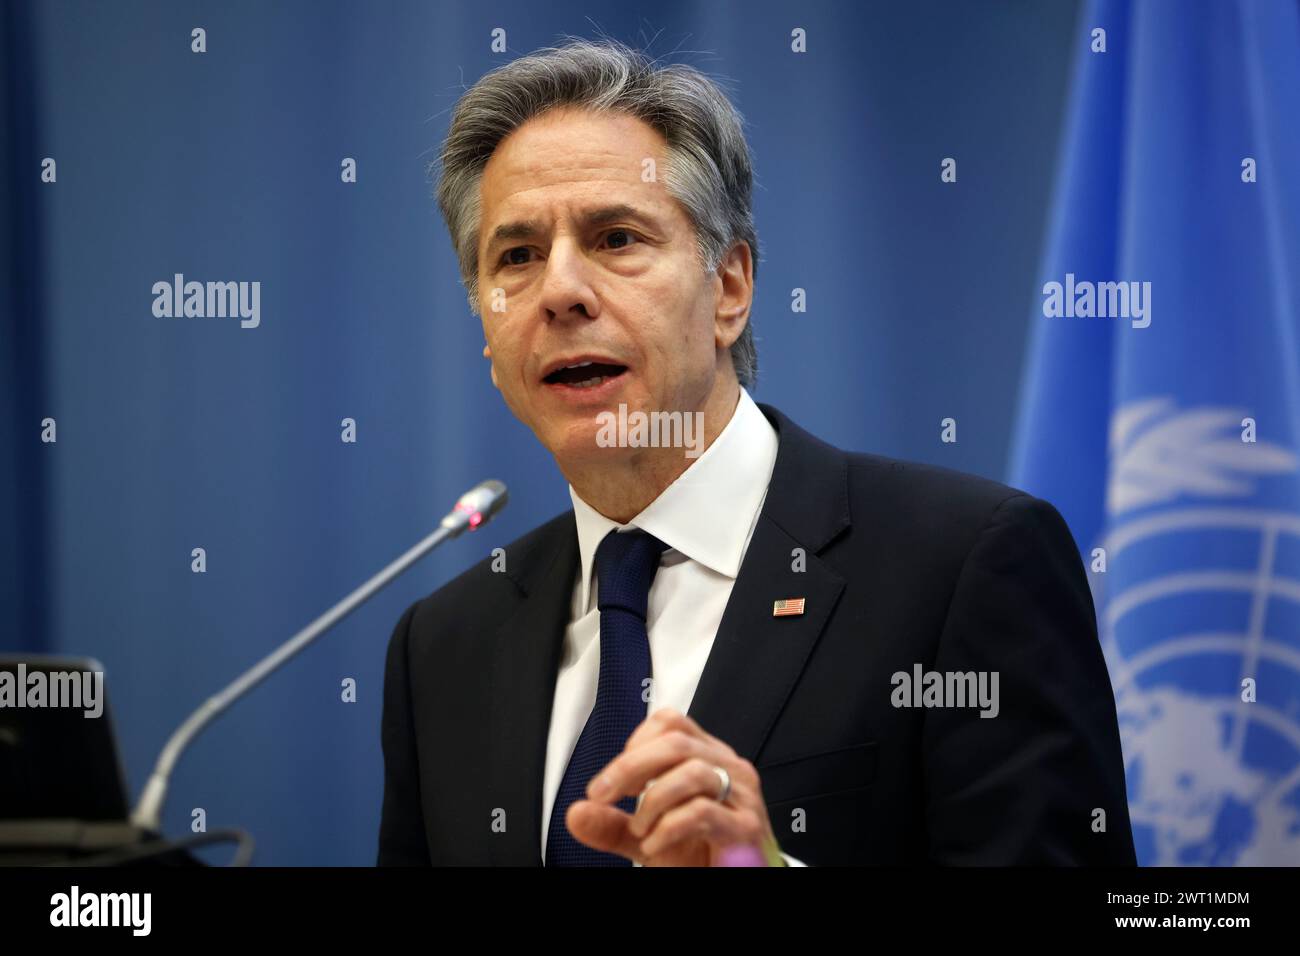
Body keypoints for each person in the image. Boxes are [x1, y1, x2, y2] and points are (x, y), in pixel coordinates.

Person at [377, 38, 1136, 867]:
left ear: (729, 289)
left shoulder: (961, 567)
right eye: (517, 257)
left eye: (617, 237)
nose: (561, 290)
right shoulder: (442, 648)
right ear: (486, 333)